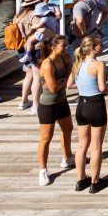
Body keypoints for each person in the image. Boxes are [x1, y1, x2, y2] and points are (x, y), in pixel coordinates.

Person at [68, 33, 108, 193]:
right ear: (93, 48)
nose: (102, 46)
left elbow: (69, 85)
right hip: (95, 105)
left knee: (82, 145)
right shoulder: (99, 64)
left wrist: (85, 84)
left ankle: (81, 180)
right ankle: (95, 183)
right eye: (100, 45)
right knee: (96, 147)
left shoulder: (78, 63)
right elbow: (103, 88)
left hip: (81, 106)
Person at [35, 35, 74, 187]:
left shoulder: (64, 58)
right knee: (46, 138)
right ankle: (42, 170)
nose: (66, 48)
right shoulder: (47, 64)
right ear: (54, 47)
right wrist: (64, 81)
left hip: (61, 101)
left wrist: (62, 81)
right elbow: (52, 88)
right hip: (48, 105)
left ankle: (67, 157)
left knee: (68, 129)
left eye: (66, 45)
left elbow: (72, 71)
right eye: (63, 46)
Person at [19, 16, 49, 113]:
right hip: (35, 48)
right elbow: (42, 30)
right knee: (37, 77)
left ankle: (23, 102)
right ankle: (35, 105)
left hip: (23, 47)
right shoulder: (35, 16)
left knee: (28, 75)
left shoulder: (19, 15)